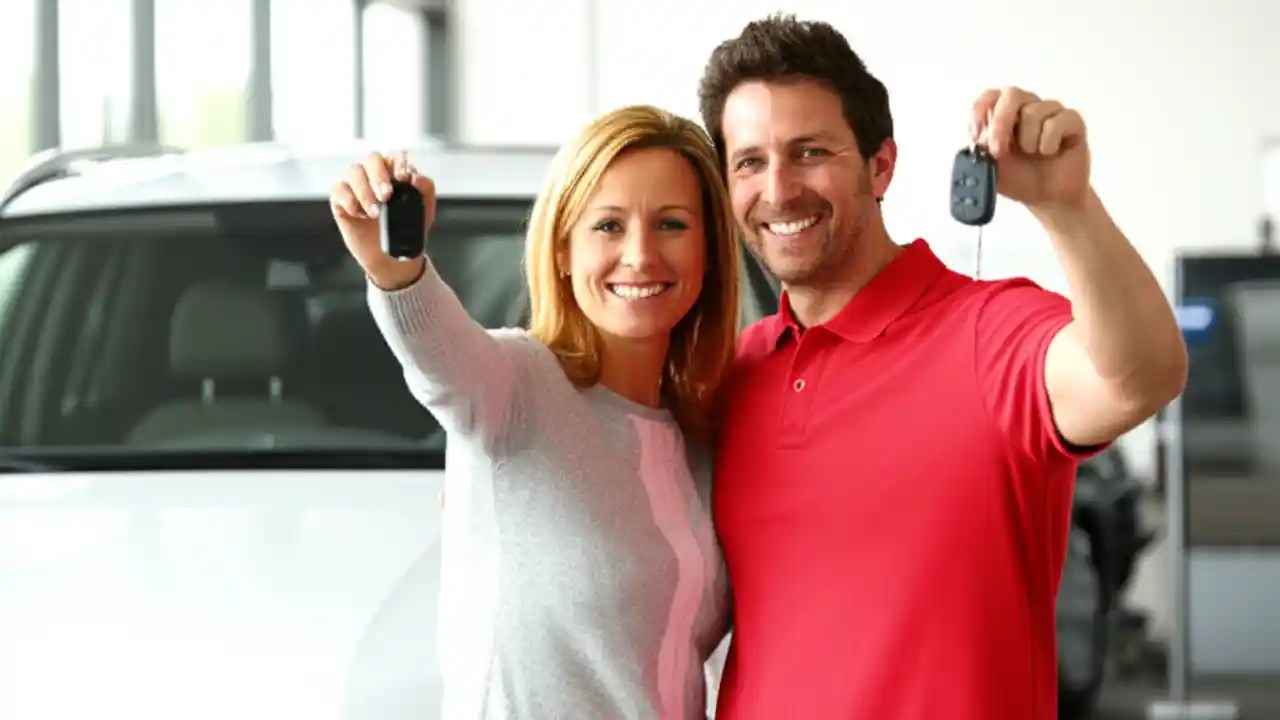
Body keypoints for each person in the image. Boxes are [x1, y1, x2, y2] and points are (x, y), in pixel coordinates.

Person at [697, 13, 1188, 720]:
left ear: (880, 165)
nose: (777, 190)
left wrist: (1066, 206)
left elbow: (1138, 377)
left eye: (809, 152)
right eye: (750, 161)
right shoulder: (736, 372)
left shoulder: (988, 334)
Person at [328, 105, 740, 719]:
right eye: (607, 226)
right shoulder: (513, 385)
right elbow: (436, 353)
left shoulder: (704, 438)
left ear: (708, 253)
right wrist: (394, 268)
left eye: (672, 224)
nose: (640, 255)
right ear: (564, 249)